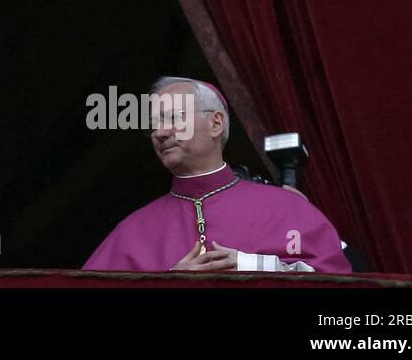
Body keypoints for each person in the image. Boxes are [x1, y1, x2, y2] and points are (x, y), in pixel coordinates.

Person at [83, 77, 352, 273]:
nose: (160, 133)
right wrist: (169, 283)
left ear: (215, 123)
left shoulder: (286, 208)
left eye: (174, 118)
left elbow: (333, 278)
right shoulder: (134, 231)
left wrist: (251, 265)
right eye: (153, 125)